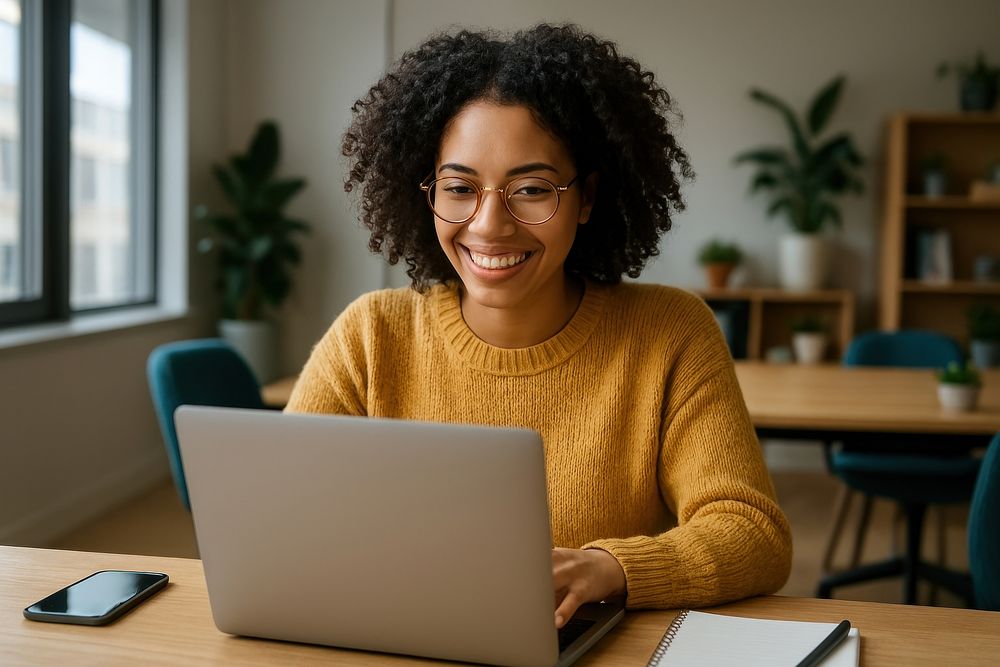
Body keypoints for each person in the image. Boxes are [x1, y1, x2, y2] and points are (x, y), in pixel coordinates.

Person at [286, 24, 792, 628]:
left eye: (531, 189)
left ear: (586, 199)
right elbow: (283, 518)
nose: (489, 225)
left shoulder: (670, 332)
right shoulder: (370, 336)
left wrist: (611, 569)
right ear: (427, 194)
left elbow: (751, 530)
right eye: (459, 188)